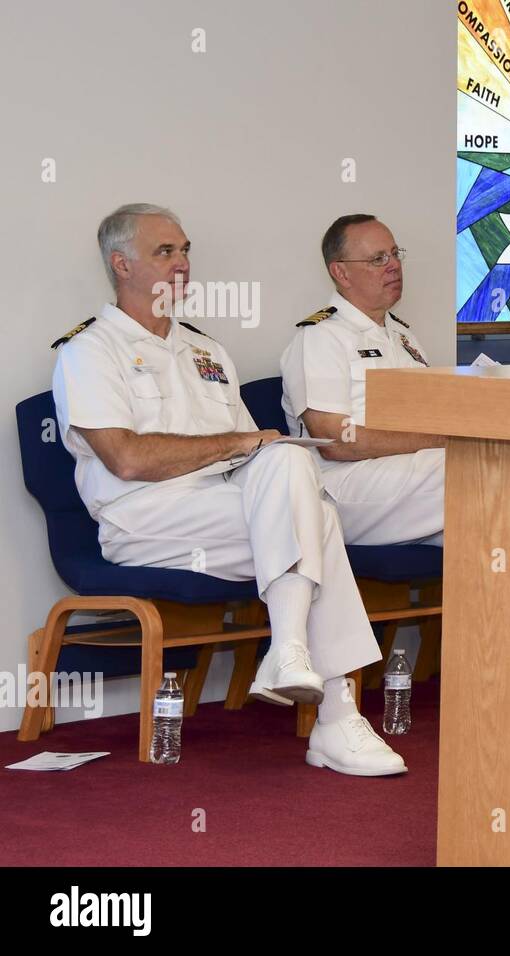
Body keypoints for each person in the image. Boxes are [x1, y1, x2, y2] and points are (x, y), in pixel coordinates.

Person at [51, 203, 405, 776]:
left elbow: (256, 454)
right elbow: (126, 458)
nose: (183, 263)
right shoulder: (88, 352)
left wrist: (255, 450)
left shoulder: (207, 351)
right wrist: (235, 446)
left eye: (186, 249)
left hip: (232, 511)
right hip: (146, 520)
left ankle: (291, 656)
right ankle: (336, 717)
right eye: (166, 252)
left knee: (288, 466)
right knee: (316, 516)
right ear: (121, 264)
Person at [280, 214, 446, 546]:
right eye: (378, 259)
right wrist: (441, 440)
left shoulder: (404, 338)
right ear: (340, 272)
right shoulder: (320, 338)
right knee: (466, 467)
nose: (394, 266)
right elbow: (333, 441)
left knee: (495, 503)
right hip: (343, 486)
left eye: (395, 254)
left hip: (411, 476)